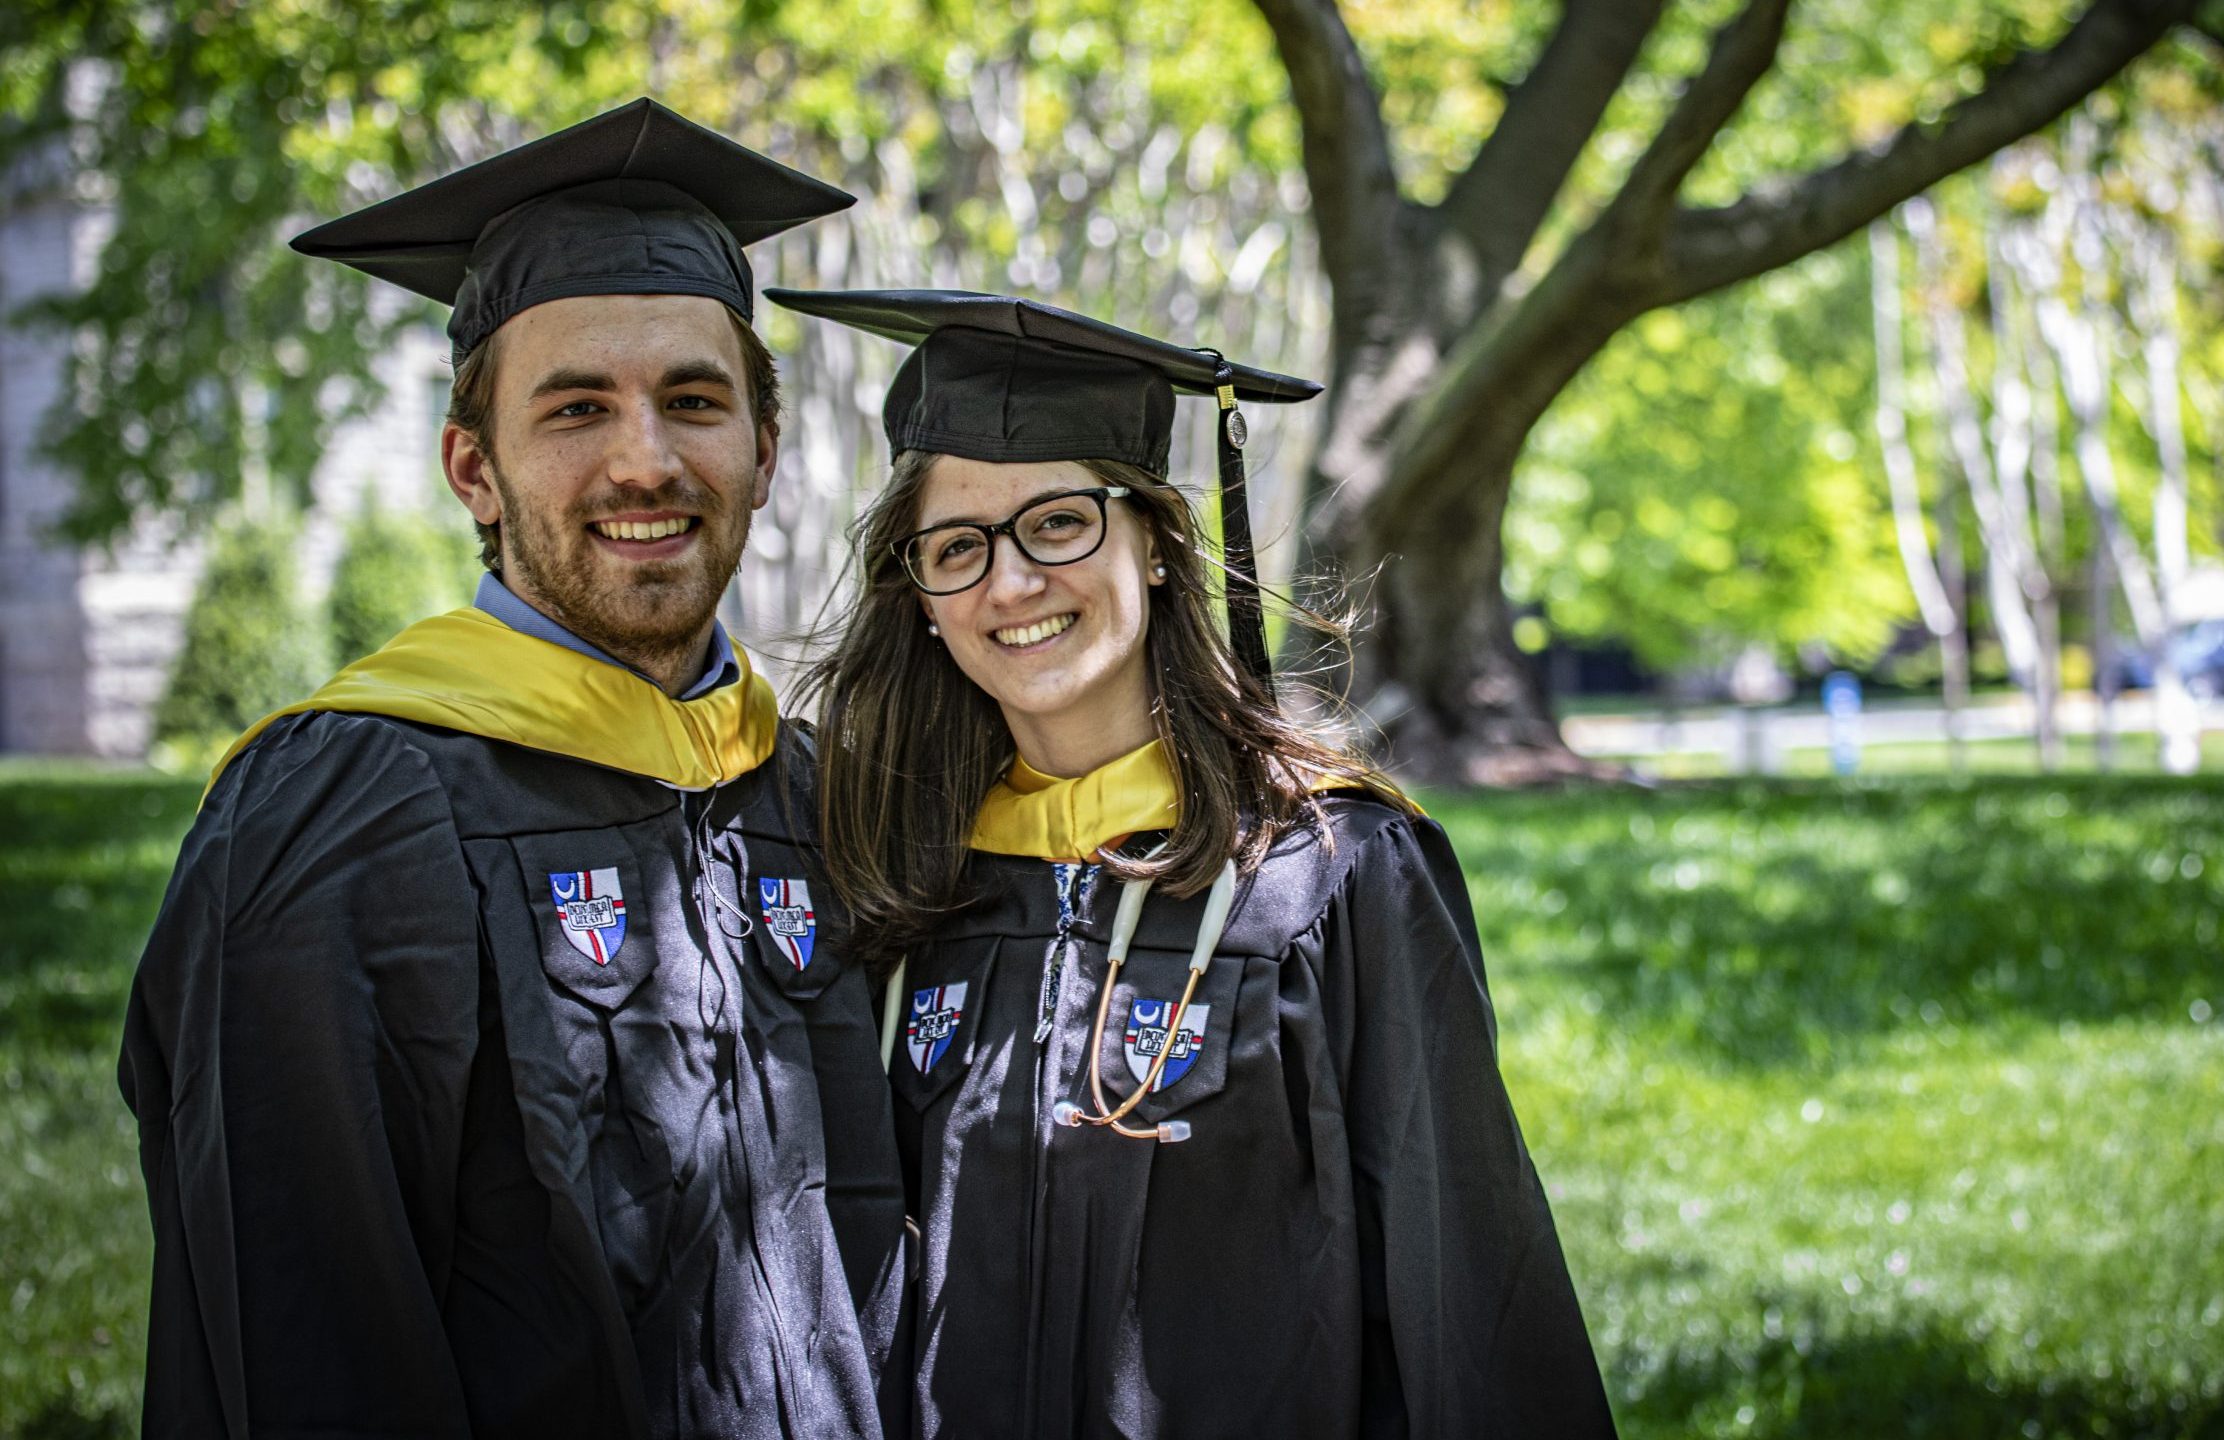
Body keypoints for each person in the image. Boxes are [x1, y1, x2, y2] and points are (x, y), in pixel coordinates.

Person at [119, 100, 906, 1438]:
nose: (645, 459)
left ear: (763, 454)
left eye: (694, 401)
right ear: (473, 470)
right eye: (576, 408)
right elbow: (299, 1332)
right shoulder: (343, 814)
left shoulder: (811, 798)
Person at [770, 287, 1616, 1437]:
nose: (1009, 583)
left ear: (1158, 546)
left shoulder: (1327, 873)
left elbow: (1465, 1286)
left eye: (1058, 523)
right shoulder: (899, 872)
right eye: (957, 547)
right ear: (919, 597)